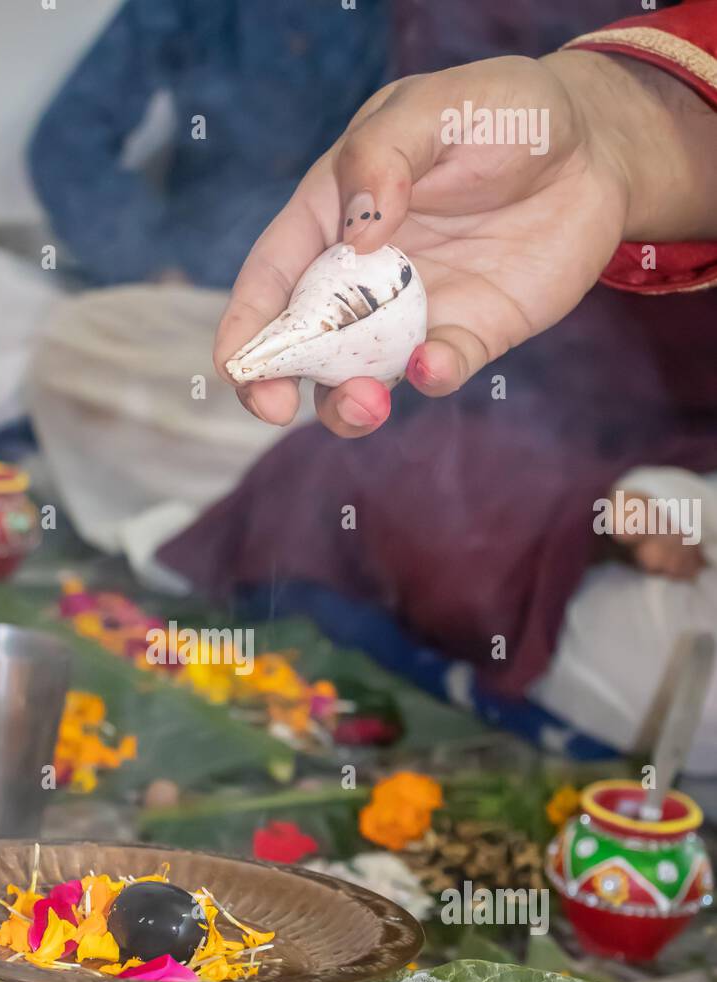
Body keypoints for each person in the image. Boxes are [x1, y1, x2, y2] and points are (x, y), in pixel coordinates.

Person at [159, 1, 717, 768]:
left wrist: (684, 502)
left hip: (653, 461)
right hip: (494, 395)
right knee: (71, 332)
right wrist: (598, 131)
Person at [0, 0, 391, 568]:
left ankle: (78, 458)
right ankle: (116, 464)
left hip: (299, 346)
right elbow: (68, 144)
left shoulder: (414, 20)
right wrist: (156, 267)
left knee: (326, 424)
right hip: (164, 315)